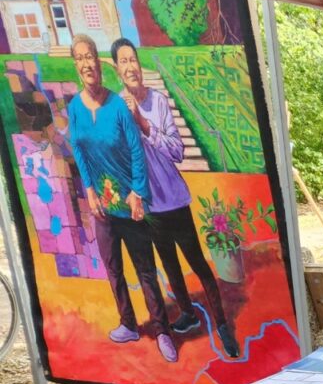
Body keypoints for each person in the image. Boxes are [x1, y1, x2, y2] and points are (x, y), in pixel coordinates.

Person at [110, 38, 239, 359]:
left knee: (197, 262)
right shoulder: (118, 109)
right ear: (117, 69)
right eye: (123, 62)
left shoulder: (158, 102)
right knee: (168, 263)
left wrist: (144, 124)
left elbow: (178, 151)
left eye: (133, 60)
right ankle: (187, 312)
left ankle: (223, 326)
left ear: (139, 64)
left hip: (174, 200)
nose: (131, 67)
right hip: (150, 206)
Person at [63, 34, 178, 362]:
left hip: (129, 204)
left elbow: (136, 151)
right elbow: (79, 152)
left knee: (145, 270)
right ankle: (127, 323)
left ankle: (162, 331)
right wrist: (89, 192)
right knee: (113, 269)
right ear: (76, 65)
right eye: (81, 58)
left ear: (99, 64)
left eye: (91, 58)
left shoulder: (117, 106)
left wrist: (137, 192)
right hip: (102, 207)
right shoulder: (74, 108)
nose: (87, 64)